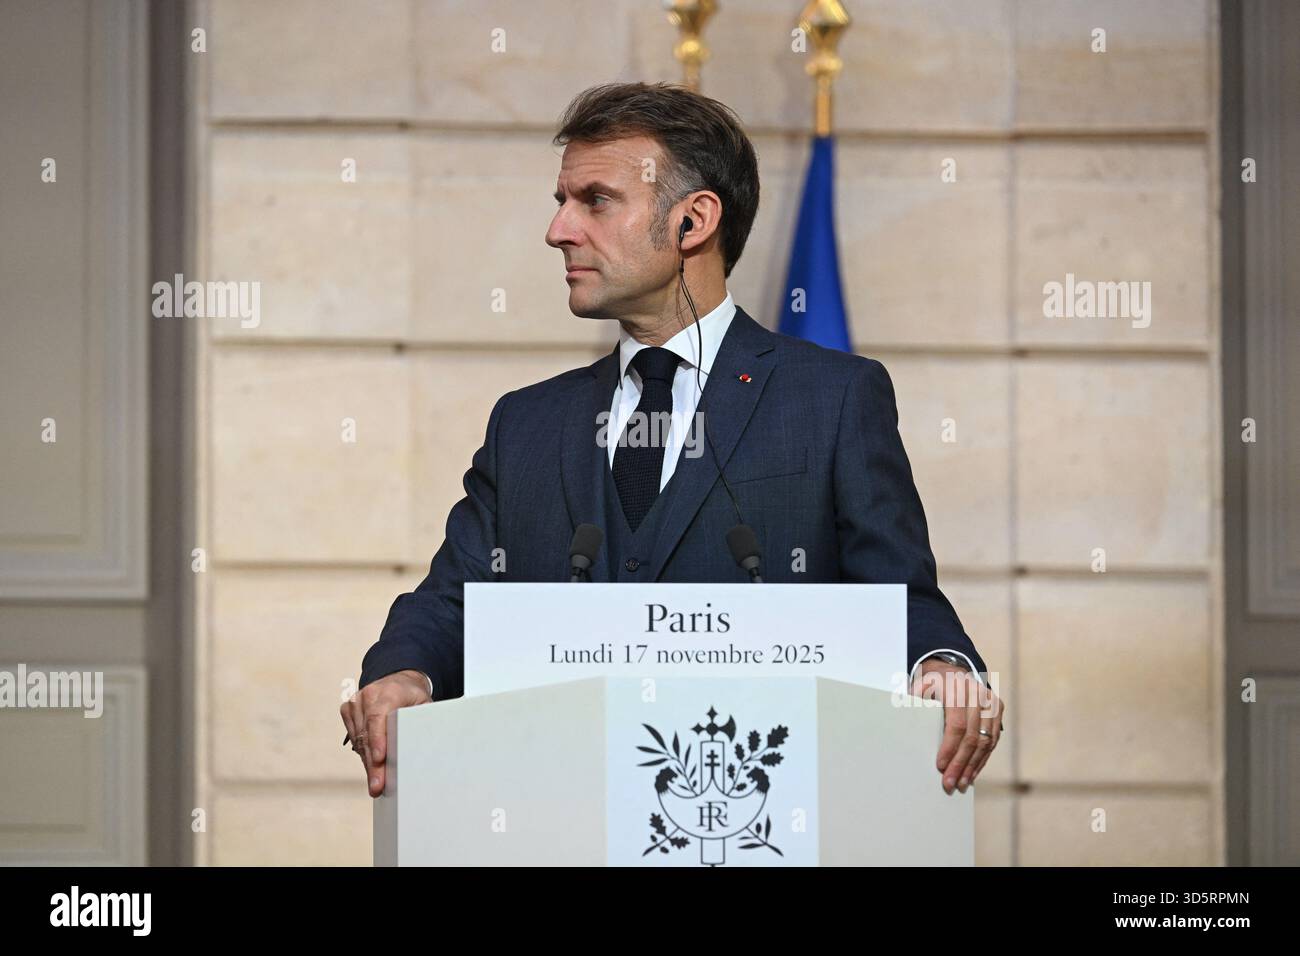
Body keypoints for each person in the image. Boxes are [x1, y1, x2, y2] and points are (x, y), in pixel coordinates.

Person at [341, 81, 1005, 801]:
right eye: (561, 202)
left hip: (764, 815)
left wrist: (942, 664)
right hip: (559, 817)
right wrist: (404, 672)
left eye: (594, 200)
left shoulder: (833, 399)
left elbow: (899, 599)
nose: (558, 230)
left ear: (693, 221)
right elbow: (451, 604)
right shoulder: (525, 424)